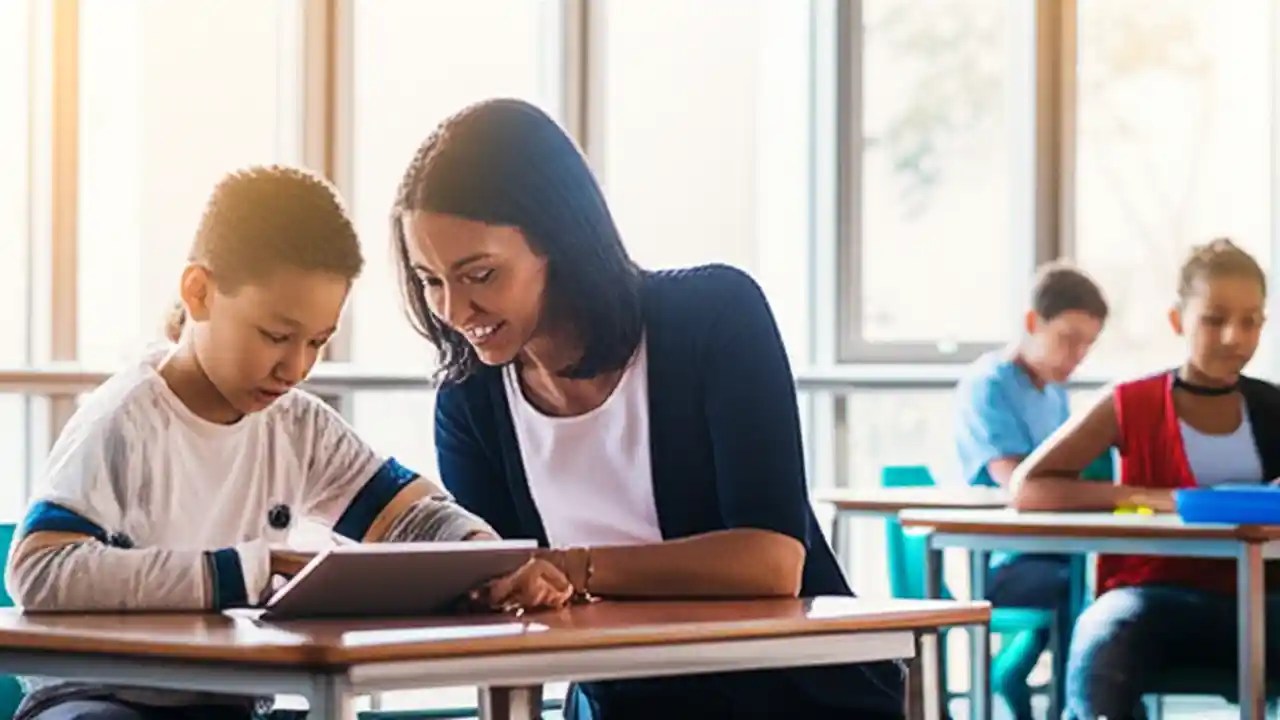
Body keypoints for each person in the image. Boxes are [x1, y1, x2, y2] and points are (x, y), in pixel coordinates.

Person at [389, 98, 906, 719]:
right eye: (429, 279)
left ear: (554, 237)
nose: (452, 310)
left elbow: (770, 562)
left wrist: (571, 567)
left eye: (479, 274)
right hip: (620, 701)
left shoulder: (715, 316)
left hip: (794, 697)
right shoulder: (470, 398)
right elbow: (503, 587)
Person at [6, 166, 567, 720]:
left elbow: (413, 518)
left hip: (230, 700)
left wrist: (487, 558)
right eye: (275, 336)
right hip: (97, 700)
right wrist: (256, 567)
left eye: (317, 342)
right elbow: (38, 570)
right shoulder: (126, 420)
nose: (295, 367)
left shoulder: (298, 426)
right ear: (199, 293)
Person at [1011, 239, 1280, 719]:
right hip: (1154, 601)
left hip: (1265, 602)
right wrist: (1154, 499)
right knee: (1104, 639)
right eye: (1214, 319)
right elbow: (1029, 488)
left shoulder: (1275, 406)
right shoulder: (1130, 402)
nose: (1233, 337)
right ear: (1178, 320)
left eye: (1251, 321)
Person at [952, 261, 1108, 718]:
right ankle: (1072, 708)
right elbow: (1018, 481)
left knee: (1108, 577)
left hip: (1053, 550)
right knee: (1074, 588)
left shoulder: (1055, 392)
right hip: (1000, 562)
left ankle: (1087, 700)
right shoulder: (989, 387)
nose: (1077, 356)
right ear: (1031, 323)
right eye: (1068, 339)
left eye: (1088, 345)